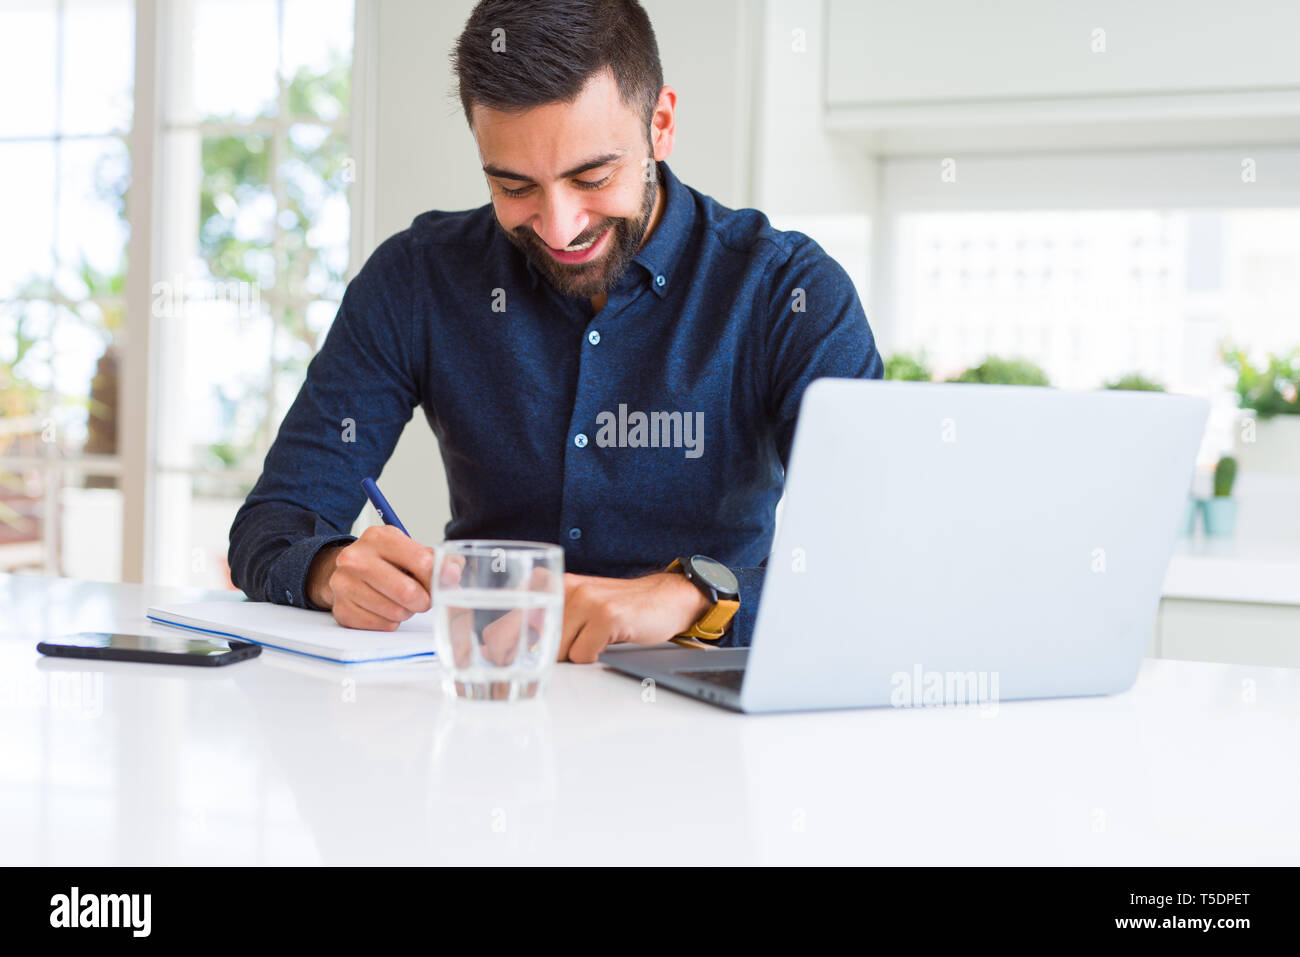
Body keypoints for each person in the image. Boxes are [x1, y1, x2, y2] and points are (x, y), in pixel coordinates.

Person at [227, 0, 882, 662]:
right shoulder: (416, 278)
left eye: (592, 177)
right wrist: (330, 570)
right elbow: (271, 526)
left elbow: (874, 559)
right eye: (515, 187)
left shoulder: (788, 292)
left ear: (661, 125)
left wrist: (692, 597)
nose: (559, 226)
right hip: (488, 705)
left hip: (709, 722)